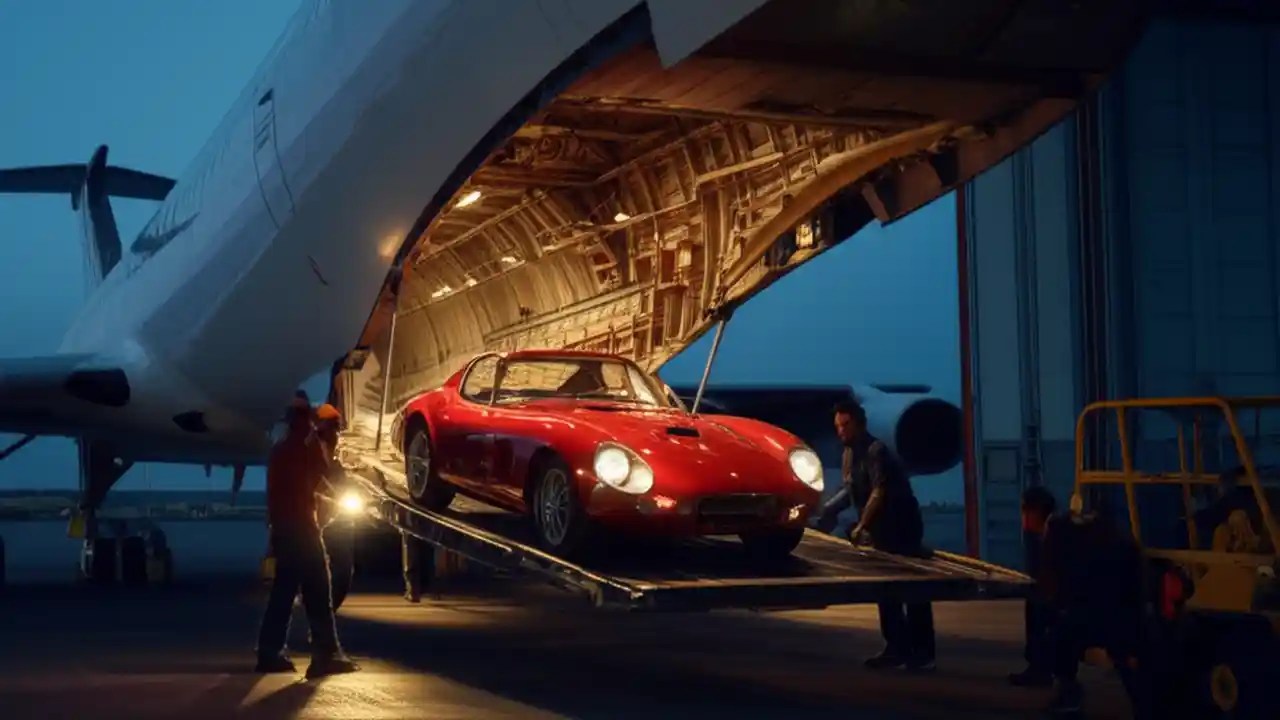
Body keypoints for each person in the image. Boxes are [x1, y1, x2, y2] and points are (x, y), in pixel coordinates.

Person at [815, 399, 935, 671]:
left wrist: (862, 525)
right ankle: (896, 648)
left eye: (846, 425)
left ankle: (923, 653)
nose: (841, 431)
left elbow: (879, 491)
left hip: (901, 525)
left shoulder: (875, 450)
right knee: (886, 589)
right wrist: (826, 511)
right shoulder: (848, 454)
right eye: (838, 426)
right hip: (880, 528)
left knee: (913, 589)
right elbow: (850, 490)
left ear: (860, 424)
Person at [255, 394, 359, 679]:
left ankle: (269, 651)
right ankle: (324, 656)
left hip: (283, 529)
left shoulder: (280, 449)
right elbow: (327, 477)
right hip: (303, 528)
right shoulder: (308, 447)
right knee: (318, 591)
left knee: (283, 592)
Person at [1040, 496, 1148, 716]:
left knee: (1058, 638)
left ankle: (1070, 693)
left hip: (1097, 615)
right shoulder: (1118, 541)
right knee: (1128, 660)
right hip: (1122, 615)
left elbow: (1057, 587)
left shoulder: (1062, 539)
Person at [1008, 485, 1057, 687]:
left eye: (1025, 510)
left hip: (1049, 593)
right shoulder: (1034, 536)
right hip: (1040, 588)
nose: (1022, 517)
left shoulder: (1050, 535)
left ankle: (1042, 671)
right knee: (1034, 614)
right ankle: (1037, 667)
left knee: (1040, 620)